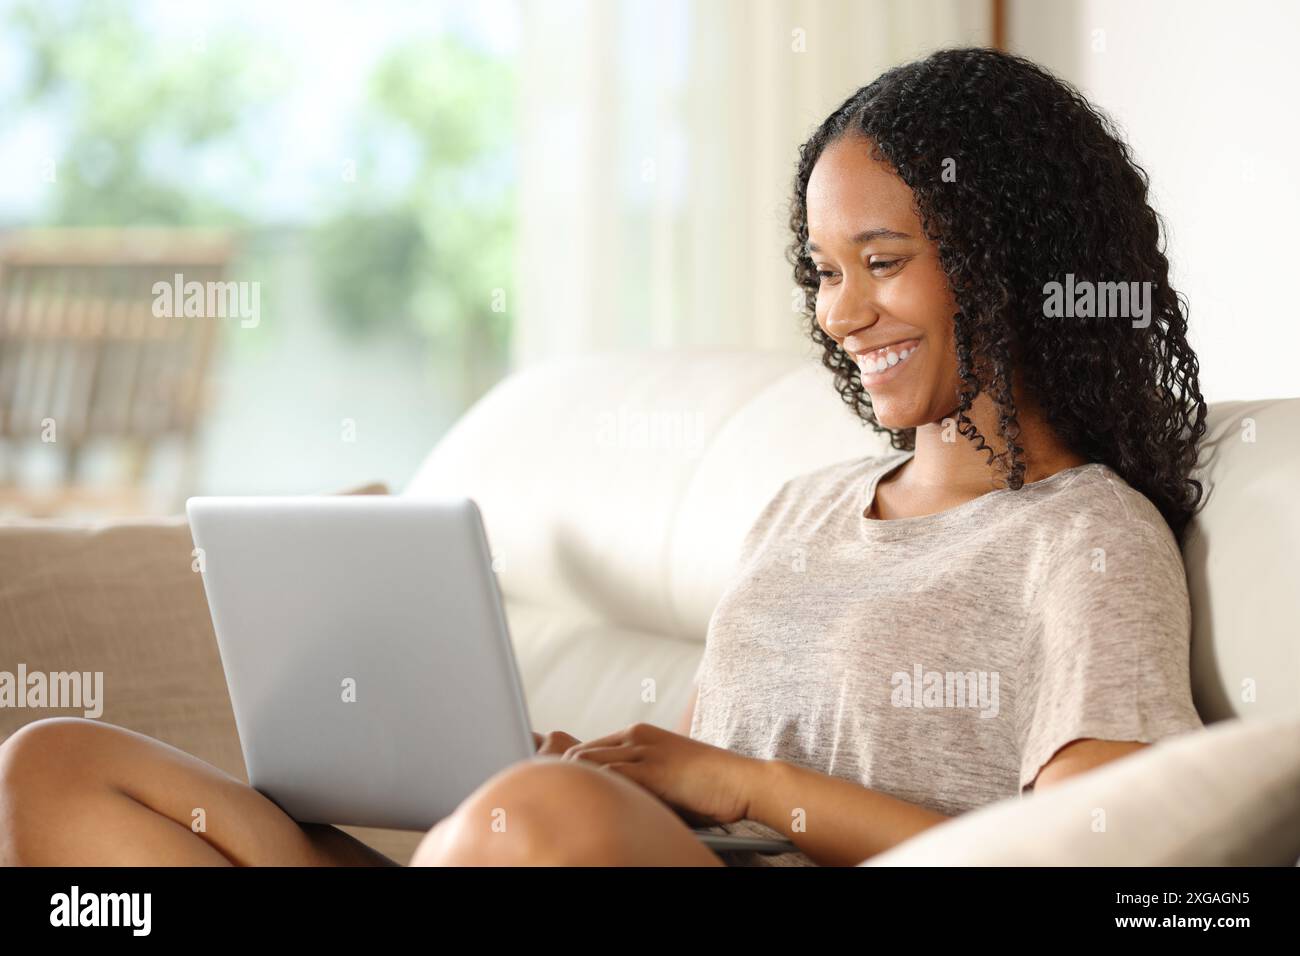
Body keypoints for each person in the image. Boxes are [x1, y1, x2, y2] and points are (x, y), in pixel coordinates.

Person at [0, 47, 1207, 867]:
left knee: (543, 813)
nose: (843, 316)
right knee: (56, 767)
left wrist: (736, 786)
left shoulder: (1087, 540)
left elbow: (1086, 851)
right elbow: (682, 775)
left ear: (1004, 253)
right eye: (825, 274)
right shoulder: (803, 508)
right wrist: (619, 772)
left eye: (881, 261)